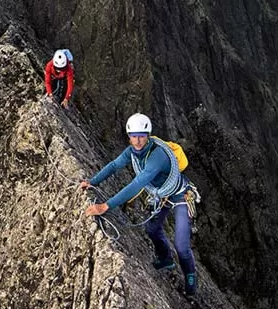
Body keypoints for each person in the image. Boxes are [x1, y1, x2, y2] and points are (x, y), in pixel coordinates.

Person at [80, 113, 198, 296]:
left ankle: (190, 274)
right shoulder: (132, 152)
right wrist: (93, 182)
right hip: (161, 196)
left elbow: (137, 184)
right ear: (129, 136)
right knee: (152, 230)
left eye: (141, 136)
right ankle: (166, 259)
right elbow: (113, 165)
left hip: (180, 194)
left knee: (181, 245)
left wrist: (106, 206)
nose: (138, 140)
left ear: (148, 135)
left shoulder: (157, 155)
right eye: (134, 136)